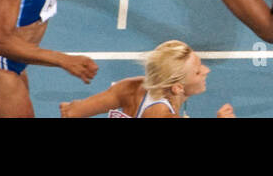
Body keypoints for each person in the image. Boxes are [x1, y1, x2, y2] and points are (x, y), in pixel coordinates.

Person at [60, 40, 235, 118]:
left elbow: (71, 112)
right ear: (177, 88)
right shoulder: (162, 115)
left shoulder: (131, 87)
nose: (207, 70)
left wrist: (72, 106)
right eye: (197, 72)